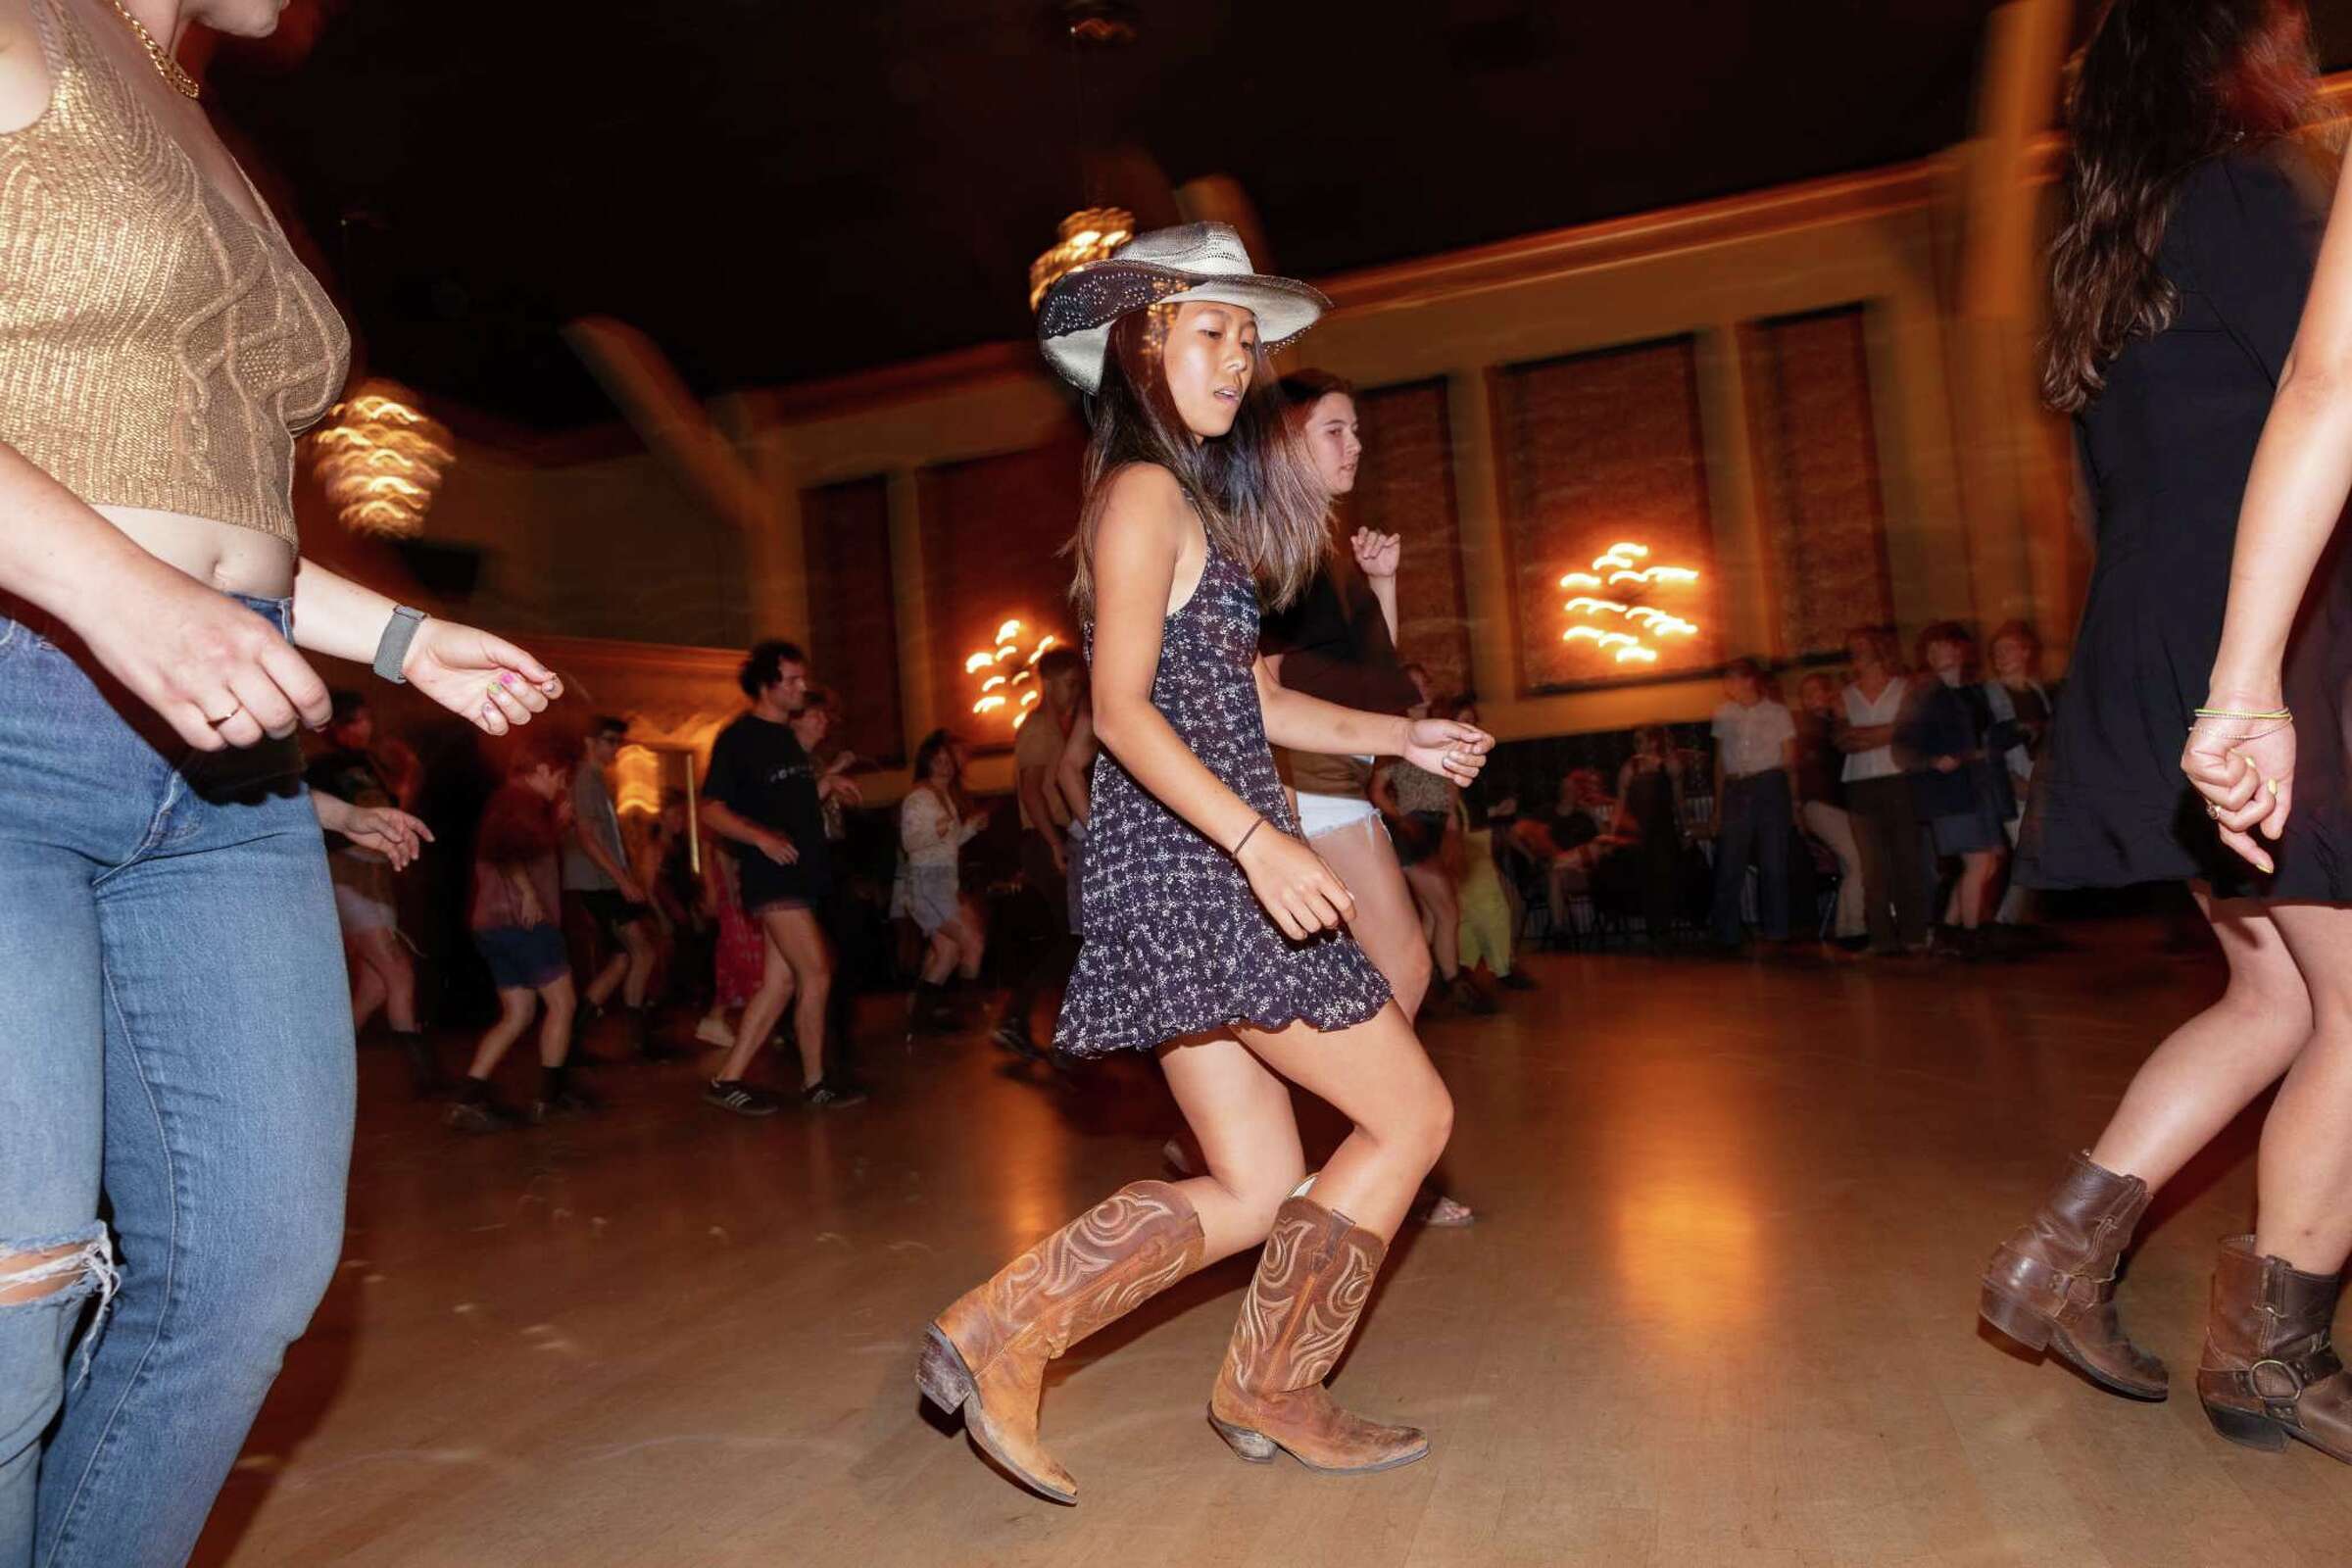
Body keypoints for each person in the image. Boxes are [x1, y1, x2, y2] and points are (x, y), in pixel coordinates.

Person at [0, 1, 562, 1557]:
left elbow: (198, 491)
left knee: (248, 1269)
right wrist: (121, 599)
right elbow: (131, 551)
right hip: (15, 700)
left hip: (228, 756)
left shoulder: (191, 112)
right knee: (10, 1295)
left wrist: (401, 632)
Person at [916, 222, 1492, 1500]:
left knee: (1253, 1182)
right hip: (1201, 866)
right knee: (1412, 1115)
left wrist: (1406, 733)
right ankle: (1273, 1384)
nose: (1238, 358)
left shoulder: (1187, 505)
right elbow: (1120, 710)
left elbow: (1244, 700)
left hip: (1183, 862)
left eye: (1248, 336)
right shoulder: (1142, 494)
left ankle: (1000, 1332)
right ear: (1142, 339)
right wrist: (1258, 839)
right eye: (1211, 330)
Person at [1985, 0, 2352, 1458]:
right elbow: (2326, 399)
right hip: (2267, 635)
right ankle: (2276, 1350)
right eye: (2282, 33)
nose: (2306, 55)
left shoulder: (2101, 255)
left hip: (2152, 627)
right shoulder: (2250, 198)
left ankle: (2051, 1262)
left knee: (2275, 993)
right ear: (2234, 65)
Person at [1258, 369, 1435, 1025]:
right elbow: (1264, 693)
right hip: (1314, 783)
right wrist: (1286, 810)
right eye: (1333, 431)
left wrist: (1381, 584)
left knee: (1356, 975)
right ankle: (1365, 1116)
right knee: (1403, 966)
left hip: (1341, 779)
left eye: (1355, 431)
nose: (1353, 444)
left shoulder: (1318, 544)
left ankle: (1328, 1119)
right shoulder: (1279, 552)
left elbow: (1376, 680)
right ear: (1284, 444)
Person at [698, 640, 863, 1113]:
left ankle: (726, 1080)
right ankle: (815, 1083)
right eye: (792, 680)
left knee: (782, 983)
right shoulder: (738, 739)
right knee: (817, 972)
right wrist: (760, 838)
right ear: (766, 686)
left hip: (800, 876)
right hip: (773, 878)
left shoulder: (785, 738)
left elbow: (788, 802)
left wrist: (825, 785)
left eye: (801, 679)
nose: (801, 688)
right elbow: (711, 810)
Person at [454, 736, 599, 1132]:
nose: (561, 786)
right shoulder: (519, 803)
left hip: (492, 924)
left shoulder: (512, 803)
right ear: (541, 770)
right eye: (559, 777)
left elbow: (513, 849)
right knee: (563, 1004)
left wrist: (556, 824)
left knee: (517, 1013)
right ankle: (548, 1098)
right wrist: (529, 895)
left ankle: (469, 1097)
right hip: (522, 923)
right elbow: (508, 852)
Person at [306, 692, 438, 1090]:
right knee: (397, 971)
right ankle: (424, 1077)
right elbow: (319, 821)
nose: (367, 728)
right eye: (357, 721)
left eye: (367, 719)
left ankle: (326, 1067)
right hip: (348, 873)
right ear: (337, 726)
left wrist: (410, 773)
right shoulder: (321, 768)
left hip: (377, 875)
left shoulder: (367, 765)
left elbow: (391, 811)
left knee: (377, 985)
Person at [564, 716, 680, 1060]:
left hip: (600, 880)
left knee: (624, 958)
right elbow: (587, 835)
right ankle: (634, 1037)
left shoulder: (596, 778)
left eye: (619, 742)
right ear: (590, 742)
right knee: (640, 952)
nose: (615, 748)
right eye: (610, 740)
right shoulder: (587, 778)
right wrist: (623, 878)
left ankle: (579, 1036)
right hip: (598, 882)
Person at [1897, 623, 2012, 958]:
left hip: (1978, 788)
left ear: (1960, 651)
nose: (1937, 655)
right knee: (1979, 862)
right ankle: (1973, 937)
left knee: (1987, 863)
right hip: (1949, 792)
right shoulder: (1922, 695)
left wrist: (2014, 734)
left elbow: (1989, 738)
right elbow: (1902, 747)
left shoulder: (1974, 693)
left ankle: (1948, 933)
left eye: (1944, 648)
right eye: (1931, 650)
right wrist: (1931, 761)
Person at [996, 647, 1088, 1060]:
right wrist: (1054, 845)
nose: (1075, 691)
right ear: (1049, 683)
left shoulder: (1056, 729)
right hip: (1042, 839)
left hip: (1049, 837)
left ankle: (1023, 1020)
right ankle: (1023, 1021)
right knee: (1071, 937)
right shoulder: (1037, 729)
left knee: (1070, 937)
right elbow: (1031, 792)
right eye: (1069, 684)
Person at [1838, 626, 1930, 956]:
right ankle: (1881, 938)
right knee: (1872, 867)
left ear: (1879, 648)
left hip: (1899, 779)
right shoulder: (1845, 694)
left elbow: (1907, 730)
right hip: (1860, 784)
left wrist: (1872, 735)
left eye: (1862, 644)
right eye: (1852, 646)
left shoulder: (1904, 688)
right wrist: (1886, 732)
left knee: (1907, 859)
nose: (1857, 651)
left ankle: (1914, 935)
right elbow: (1843, 740)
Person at [899, 727, 991, 1035]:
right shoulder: (920, 797)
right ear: (927, 762)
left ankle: (918, 1020)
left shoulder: (943, 797)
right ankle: (971, 1012)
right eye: (938, 760)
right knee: (973, 942)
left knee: (948, 953)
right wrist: (936, 830)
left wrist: (969, 828)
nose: (945, 765)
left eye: (948, 759)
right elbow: (911, 841)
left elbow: (947, 842)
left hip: (939, 881)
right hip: (928, 884)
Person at [1708, 658, 1796, 950]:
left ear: (1749, 680)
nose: (1727, 685)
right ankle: (1726, 933)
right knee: (1729, 861)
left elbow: (1789, 758)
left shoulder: (1778, 712)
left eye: (1731, 678)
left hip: (1769, 783)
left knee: (1773, 861)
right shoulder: (1723, 713)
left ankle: (1777, 931)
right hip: (1736, 785)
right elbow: (1720, 761)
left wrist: (1793, 800)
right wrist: (1718, 807)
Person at [1985, 621, 2052, 930]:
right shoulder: (1989, 693)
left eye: (2008, 649)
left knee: (2035, 852)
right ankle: (2003, 922)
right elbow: (1988, 742)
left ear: (2026, 652)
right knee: (2026, 852)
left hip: (2037, 778)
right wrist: (2012, 779)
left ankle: (2016, 920)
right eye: (1997, 651)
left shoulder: (2037, 690)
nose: (2001, 656)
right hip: (2009, 782)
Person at [1795, 672, 1867, 949]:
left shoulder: (1829, 724)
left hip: (1834, 805)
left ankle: (1848, 929)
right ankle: (1854, 930)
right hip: (1821, 804)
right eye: (1807, 694)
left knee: (1853, 864)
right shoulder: (1812, 726)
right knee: (1858, 862)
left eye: (1817, 691)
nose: (1812, 698)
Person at [1615, 724, 1690, 948]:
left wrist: (1685, 829)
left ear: (1653, 741)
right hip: (1639, 834)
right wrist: (1613, 834)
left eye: (1640, 739)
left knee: (1665, 879)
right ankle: (1654, 933)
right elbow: (1620, 804)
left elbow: (1679, 800)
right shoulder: (1630, 767)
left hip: (1663, 832)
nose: (1636, 744)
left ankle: (1665, 931)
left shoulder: (1669, 766)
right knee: (1646, 882)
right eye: (1635, 740)